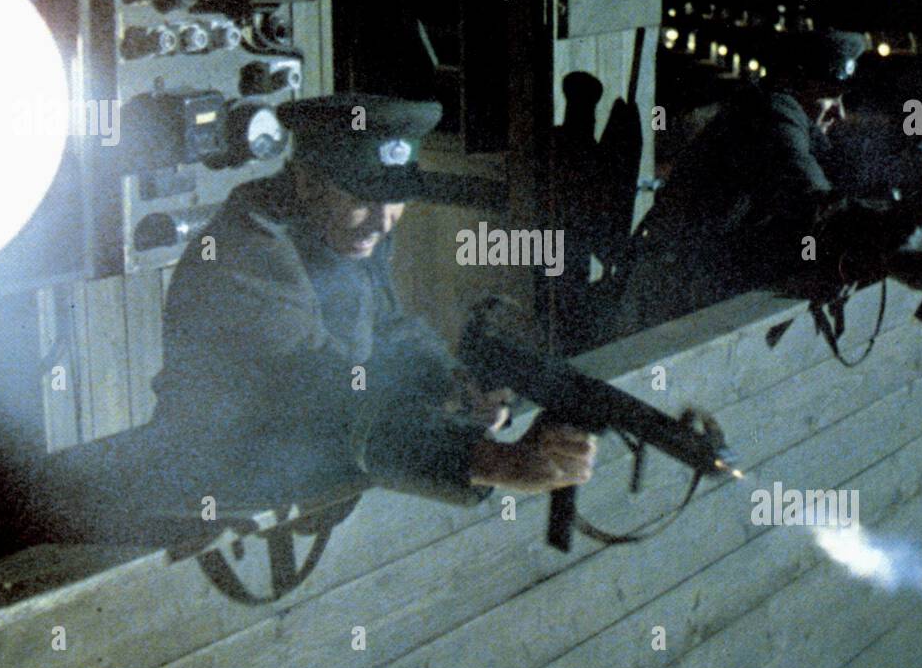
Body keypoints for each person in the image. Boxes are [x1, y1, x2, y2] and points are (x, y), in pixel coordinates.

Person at [36, 94, 595, 544]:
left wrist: (458, 386)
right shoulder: (243, 252)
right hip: (207, 496)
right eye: (364, 199)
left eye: (396, 198)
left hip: (299, 491)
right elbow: (320, 393)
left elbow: (390, 331)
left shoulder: (349, 229)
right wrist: (482, 458)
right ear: (306, 181)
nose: (383, 221)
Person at [611, 29, 922, 336]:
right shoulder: (772, 114)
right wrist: (894, 250)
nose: (839, 113)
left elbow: (840, 189)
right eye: (830, 96)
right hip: (670, 298)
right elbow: (816, 205)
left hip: (688, 284)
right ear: (794, 82)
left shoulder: (793, 119)